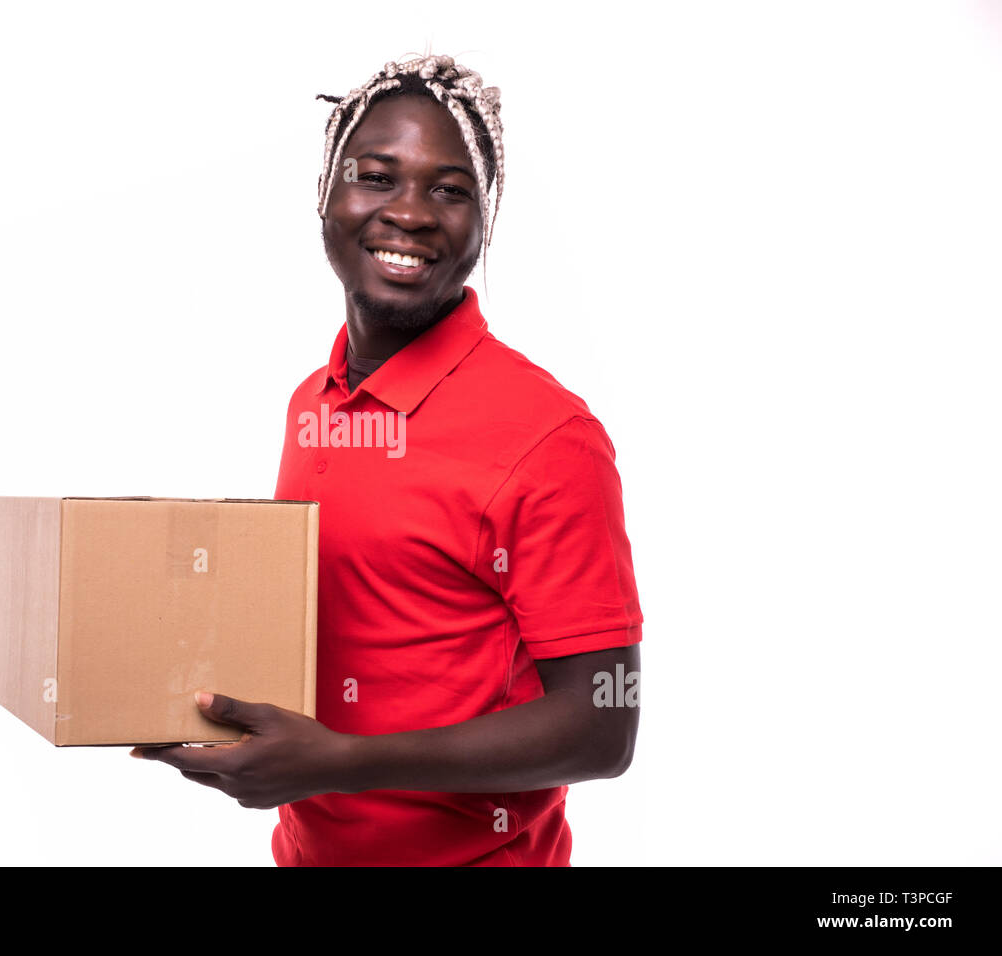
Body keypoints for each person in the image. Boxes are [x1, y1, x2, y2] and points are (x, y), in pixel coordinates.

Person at [134, 53, 644, 867]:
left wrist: (342, 762)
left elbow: (602, 726)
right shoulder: (314, 401)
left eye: (449, 190)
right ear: (327, 199)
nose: (409, 212)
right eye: (377, 177)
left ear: (485, 222)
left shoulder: (550, 437)